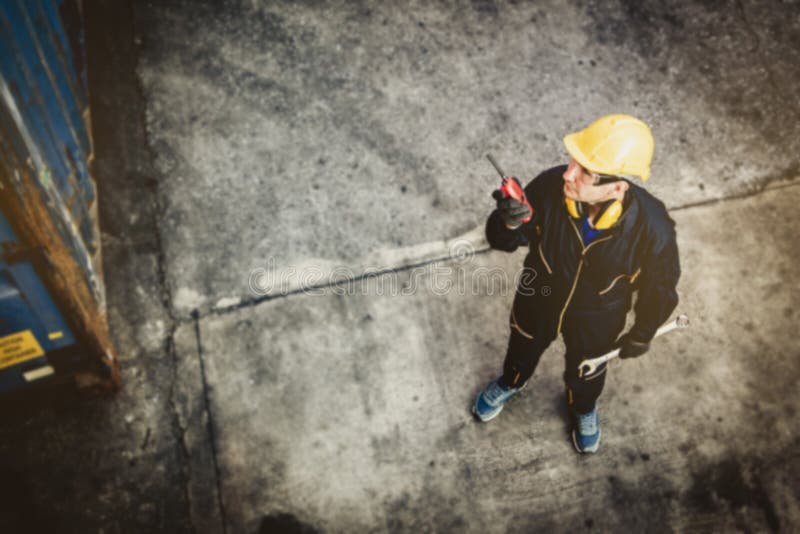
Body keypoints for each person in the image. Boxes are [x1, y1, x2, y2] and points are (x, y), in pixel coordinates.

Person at [472, 114, 681, 454]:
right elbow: (505, 240)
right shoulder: (552, 186)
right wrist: (506, 224)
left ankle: (583, 407)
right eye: (574, 162)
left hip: (599, 316)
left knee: (588, 370)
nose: (568, 173)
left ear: (618, 187)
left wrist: (643, 331)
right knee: (522, 346)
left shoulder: (652, 227)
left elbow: (661, 286)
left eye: (586, 172)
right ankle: (511, 381)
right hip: (538, 294)